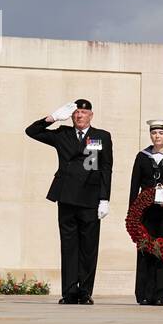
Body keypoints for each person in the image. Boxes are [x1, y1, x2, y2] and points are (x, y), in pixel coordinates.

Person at [25, 99, 113, 305]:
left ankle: (85, 292)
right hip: (66, 196)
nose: (79, 116)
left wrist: (104, 198)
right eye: (76, 113)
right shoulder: (62, 134)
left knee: (89, 247)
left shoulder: (101, 136)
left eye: (83, 112)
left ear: (91, 115)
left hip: (90, 198)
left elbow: (106, 168)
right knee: (69, 246)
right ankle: (70, 292)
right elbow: (31, 131)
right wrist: (52, 118)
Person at [127, 119, 163, 306]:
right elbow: (134, 184)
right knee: (146, 250)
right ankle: (145, 293)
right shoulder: (142, 156)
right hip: (146, 212)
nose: (157, 136)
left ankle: (162, 294)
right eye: (154, 133)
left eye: (161, 133)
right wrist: (132, 211)